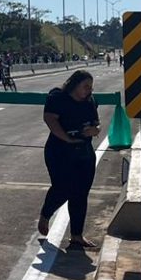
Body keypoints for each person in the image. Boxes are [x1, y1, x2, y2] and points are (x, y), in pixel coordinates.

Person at [37, 70, 101, 251]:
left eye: (91, 87)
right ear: (75, 84)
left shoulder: (90, 101)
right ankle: (46, 214)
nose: (89, 90)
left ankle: (76, 236)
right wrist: (67, 138)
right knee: (63, 187)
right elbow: (50, 120)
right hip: (60, 151)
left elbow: (96, 123)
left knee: (81, 193)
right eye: (85, 86)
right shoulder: (58, 97)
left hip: (84, 151)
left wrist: (94, 130)